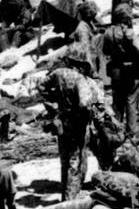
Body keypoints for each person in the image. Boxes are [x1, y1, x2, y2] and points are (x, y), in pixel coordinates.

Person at [39, 57, 98, 200]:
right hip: (77, 124)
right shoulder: (80, 80)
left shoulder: (58, 73)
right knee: (75, 161)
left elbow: (41, 85)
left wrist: (52, 100)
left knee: (64, 160)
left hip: (62, 122)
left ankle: (64, 194)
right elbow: (84, 103)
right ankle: (70, 198)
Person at [102, 5, 139, 134]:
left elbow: (105, 51)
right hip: (131, 72)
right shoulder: (130, 33)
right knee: (131, 101)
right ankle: (131, 131)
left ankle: (116, 130)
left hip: (116, 71)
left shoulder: (108, 33)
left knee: (117, 102)